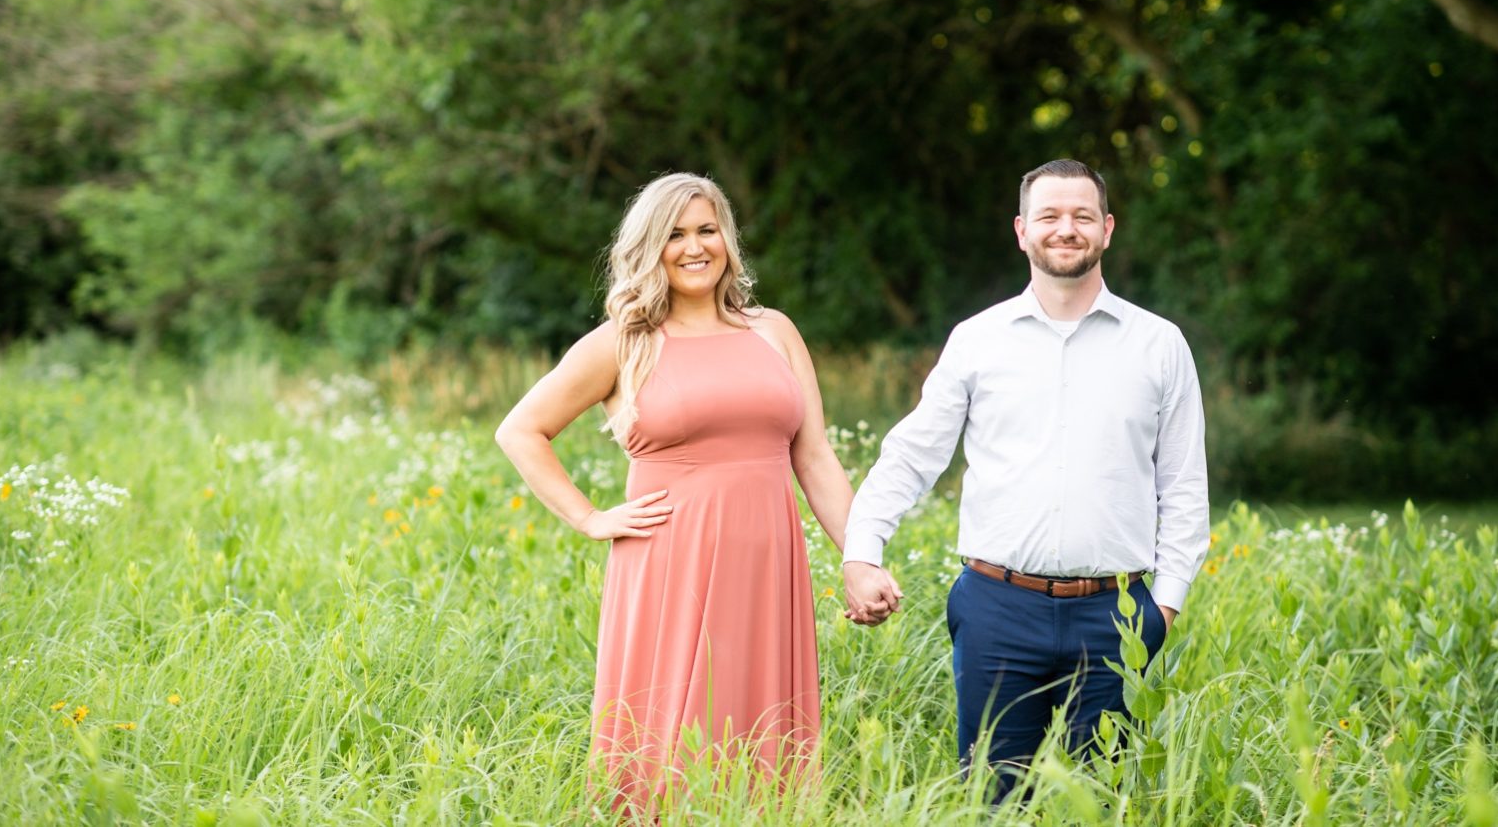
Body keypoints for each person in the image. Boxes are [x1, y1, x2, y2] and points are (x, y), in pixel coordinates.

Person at [841, 158, 1209, 797]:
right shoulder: (977, 340)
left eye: (1082, 216)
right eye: (1049, 216)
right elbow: (911, 456)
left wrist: (1164, 607)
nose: (1065, 229)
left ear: (1108, 229)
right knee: (992, 800)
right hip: (997, 610)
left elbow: (1182, 485)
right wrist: (861, 552)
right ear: (1021, 230)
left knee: (1100, 803)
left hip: (1118, 614)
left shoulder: (1160, 345)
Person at [493, 172, 856, 813]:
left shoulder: (772, 331)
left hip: (768, 569)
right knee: (666, 740)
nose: (694, 247)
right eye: (675, 235)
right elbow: (521, 430)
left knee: (762, 732)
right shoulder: (625, 342)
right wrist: (587, 517)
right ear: (649, 248)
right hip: (668, 564)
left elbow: (815, 454)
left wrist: (861, 558)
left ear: (728, 240)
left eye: (707, 230)